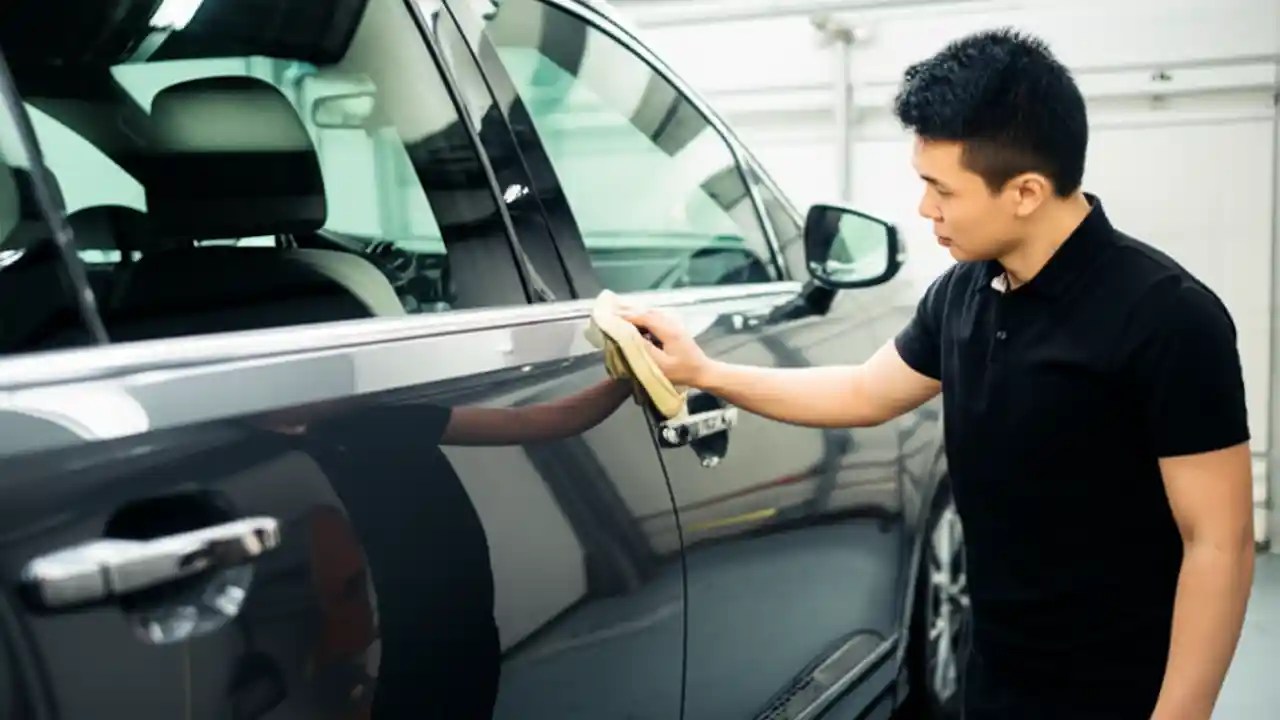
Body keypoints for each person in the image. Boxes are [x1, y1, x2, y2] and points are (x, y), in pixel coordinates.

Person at [620, 29, 1255, 720]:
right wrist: (704, 370)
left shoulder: (1168, 317)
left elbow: (1218, 543)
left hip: (1121, 694)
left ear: (1025, 192)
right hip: (995, 680)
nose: (926, 210)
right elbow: (864, 392)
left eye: (940, 189)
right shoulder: (964, 294)